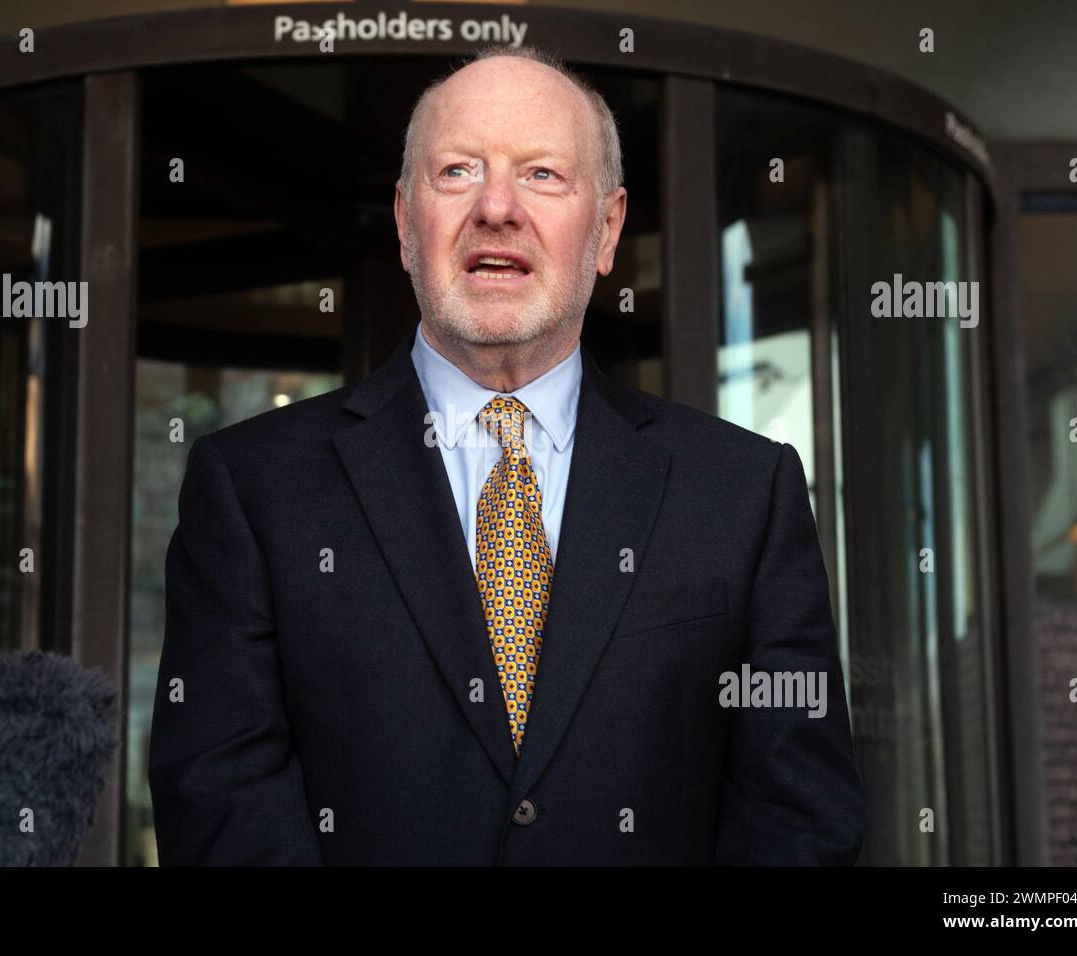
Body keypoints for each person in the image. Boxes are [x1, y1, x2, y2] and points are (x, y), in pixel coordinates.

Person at [149, 44, 864, 865]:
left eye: (542, 175)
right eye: (457, 171)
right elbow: (219, 809)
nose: (496, 206)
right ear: (404, 224)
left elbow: (801, 822)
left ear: (606, 228)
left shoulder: (745, 493)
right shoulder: (253, 487)